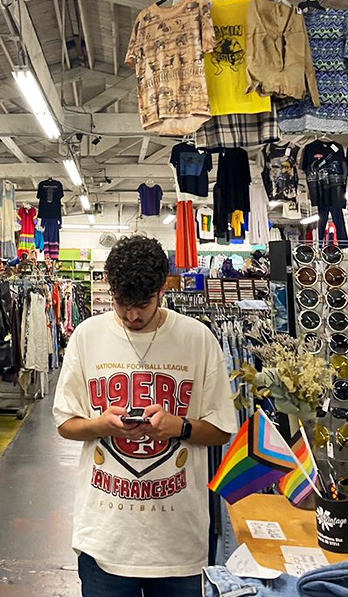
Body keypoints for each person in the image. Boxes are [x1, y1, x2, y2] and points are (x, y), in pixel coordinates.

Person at [53, 235, 236, 596]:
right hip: (105, 540)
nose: (132, 316)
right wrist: (101, 425)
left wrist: (179, 427)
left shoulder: (197, 339)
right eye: (123, 304)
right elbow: (65, 424)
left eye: (142, 304)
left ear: (161, 289)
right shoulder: (87, 336)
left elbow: (221, 431)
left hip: (178, 545)